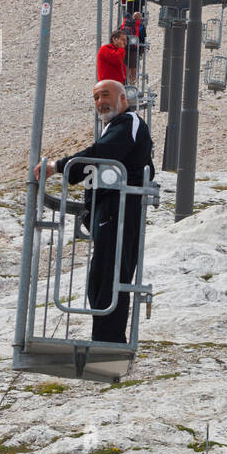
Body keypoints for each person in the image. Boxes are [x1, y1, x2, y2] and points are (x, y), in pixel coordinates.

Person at [34, 81, 155, 343]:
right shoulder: (119, 127)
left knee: (109, 276)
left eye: (106, 95)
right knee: (101, 278)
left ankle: (109, 343)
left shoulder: (128, 122)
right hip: (112, 211)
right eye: (96, 97)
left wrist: (59, 166)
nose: (100, 101)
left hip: (119, 210)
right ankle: (105, 339)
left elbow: (100, 154)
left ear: (123, 98)